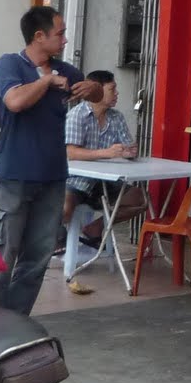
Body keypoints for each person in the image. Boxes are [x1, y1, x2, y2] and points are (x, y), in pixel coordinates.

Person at [0, 6, 100, 315]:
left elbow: (93, 93)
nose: (65, 40)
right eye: (60, 33)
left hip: (53, 177)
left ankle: (16, 320)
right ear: (39, 36)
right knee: (3, 255)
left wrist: (91, 88)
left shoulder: (66, 70)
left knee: (37, 257)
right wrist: (46, 82)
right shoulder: (10, 65)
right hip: (14, 175)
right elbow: (14, 102)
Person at [60, 69, 133, 295]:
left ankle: (94, 228)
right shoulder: (77, 116)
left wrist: (129, 151)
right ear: (97, 91)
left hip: (109, 181)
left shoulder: (116, 117)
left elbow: (127, 145)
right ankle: (57, 242)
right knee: (65, 207)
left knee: (141, 200)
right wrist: (107, 153)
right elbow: (70, 152)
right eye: (112, 89)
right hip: (78, 180)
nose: (116, 93)